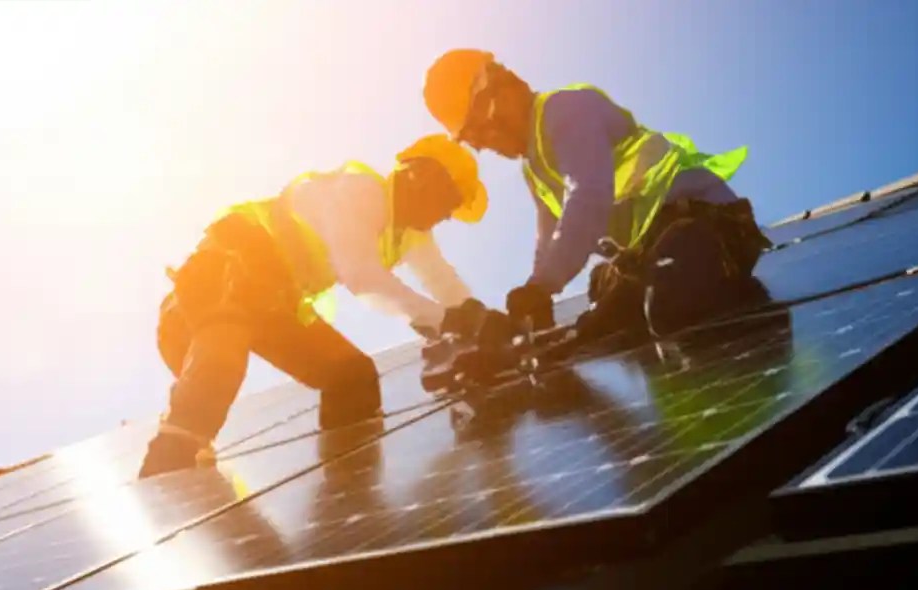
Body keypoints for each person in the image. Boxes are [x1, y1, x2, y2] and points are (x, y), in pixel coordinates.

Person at [138, 135, 488, 478]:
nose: (447, 216)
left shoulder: (410, 234)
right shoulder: (362, 191)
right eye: (449, 201)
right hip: (226, 269)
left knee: (351, 377)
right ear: (421, 177)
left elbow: (443, 282)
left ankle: (348, 500)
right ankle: (167, 469)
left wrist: (485, 323)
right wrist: (447, 321)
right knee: (220, 362)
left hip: (273, 304)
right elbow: (361, 276)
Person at [422, 49, 772, 340]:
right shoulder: (534, 167)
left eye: (477, 131)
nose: (483, 146)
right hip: (650, 252)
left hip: (706, 223)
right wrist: (531, 300)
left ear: (499, 92)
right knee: (604, 326)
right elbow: (548, 237)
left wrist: (544, 285)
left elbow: (589, 196)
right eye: (471, 140)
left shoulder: (566, 110)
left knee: (671, 306)